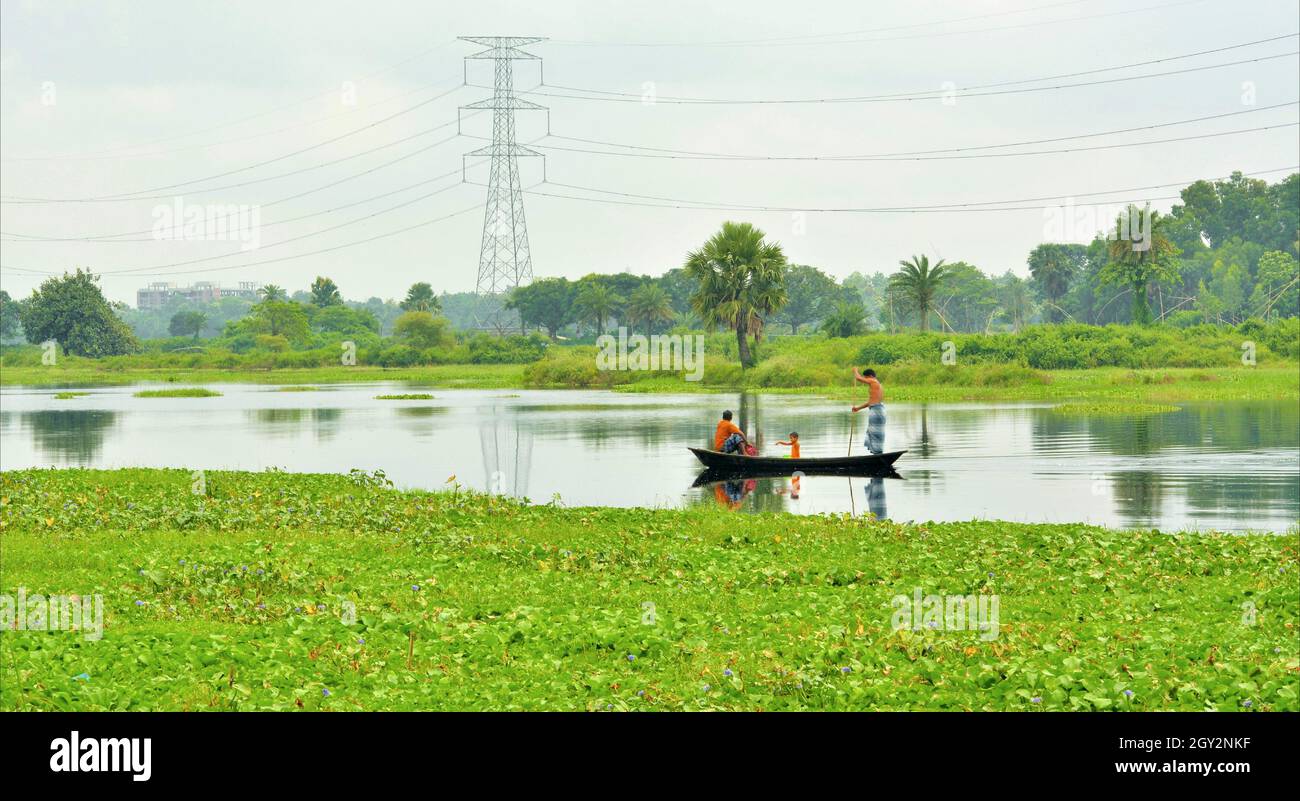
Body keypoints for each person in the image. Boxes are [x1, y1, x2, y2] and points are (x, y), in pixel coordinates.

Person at [851, 367, 886, 455]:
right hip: (877, 409)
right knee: (873, 431)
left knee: (875, 432)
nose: (866, 380)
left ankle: (878, 453)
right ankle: (877, 453)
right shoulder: (877, 385)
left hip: (877, 410)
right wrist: (858, 408)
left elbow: (858, 378)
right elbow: (871, 402)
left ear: (870, 376)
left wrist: (855, 371)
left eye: (866, 378)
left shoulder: (874, 381)